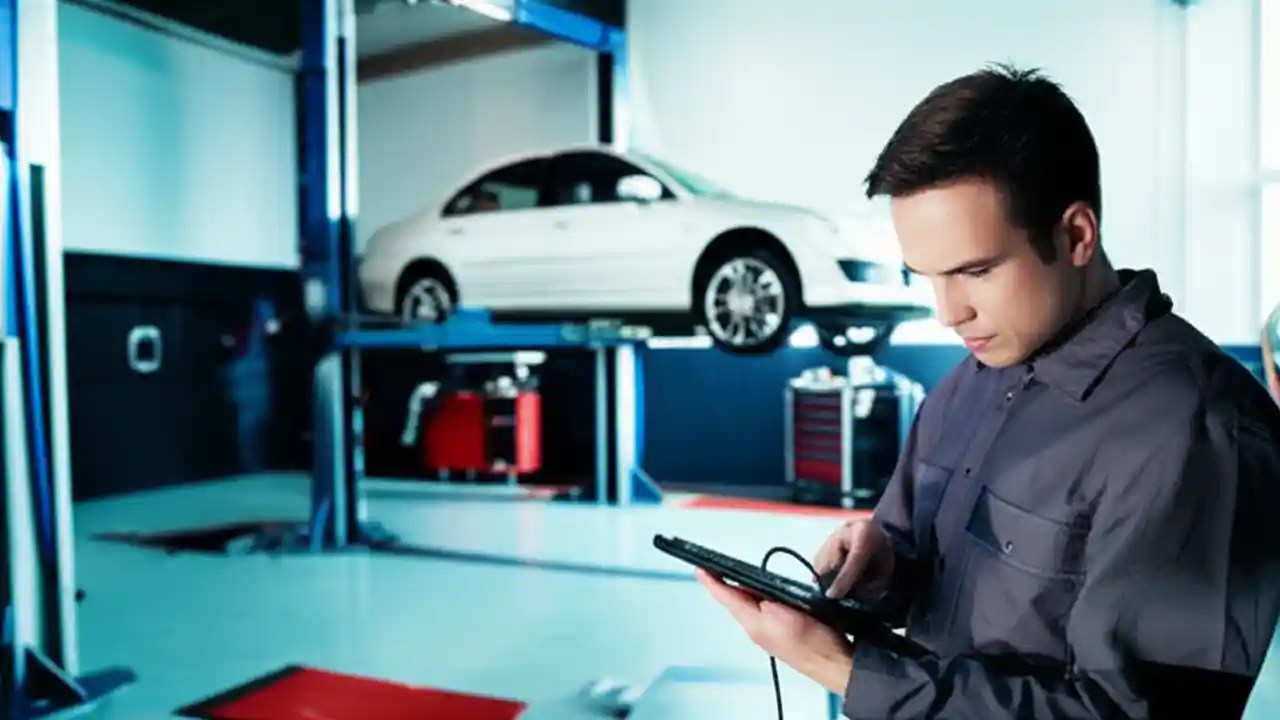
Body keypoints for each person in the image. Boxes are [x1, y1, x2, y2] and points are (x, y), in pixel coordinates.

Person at [697, 63, 1280, 718]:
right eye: (928, 275)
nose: (948, 312)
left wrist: (844, 668)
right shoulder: (974, 380)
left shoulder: (1196, 431)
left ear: (1076, 235)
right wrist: (879, 569)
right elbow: (923, 561)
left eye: (975, 270)